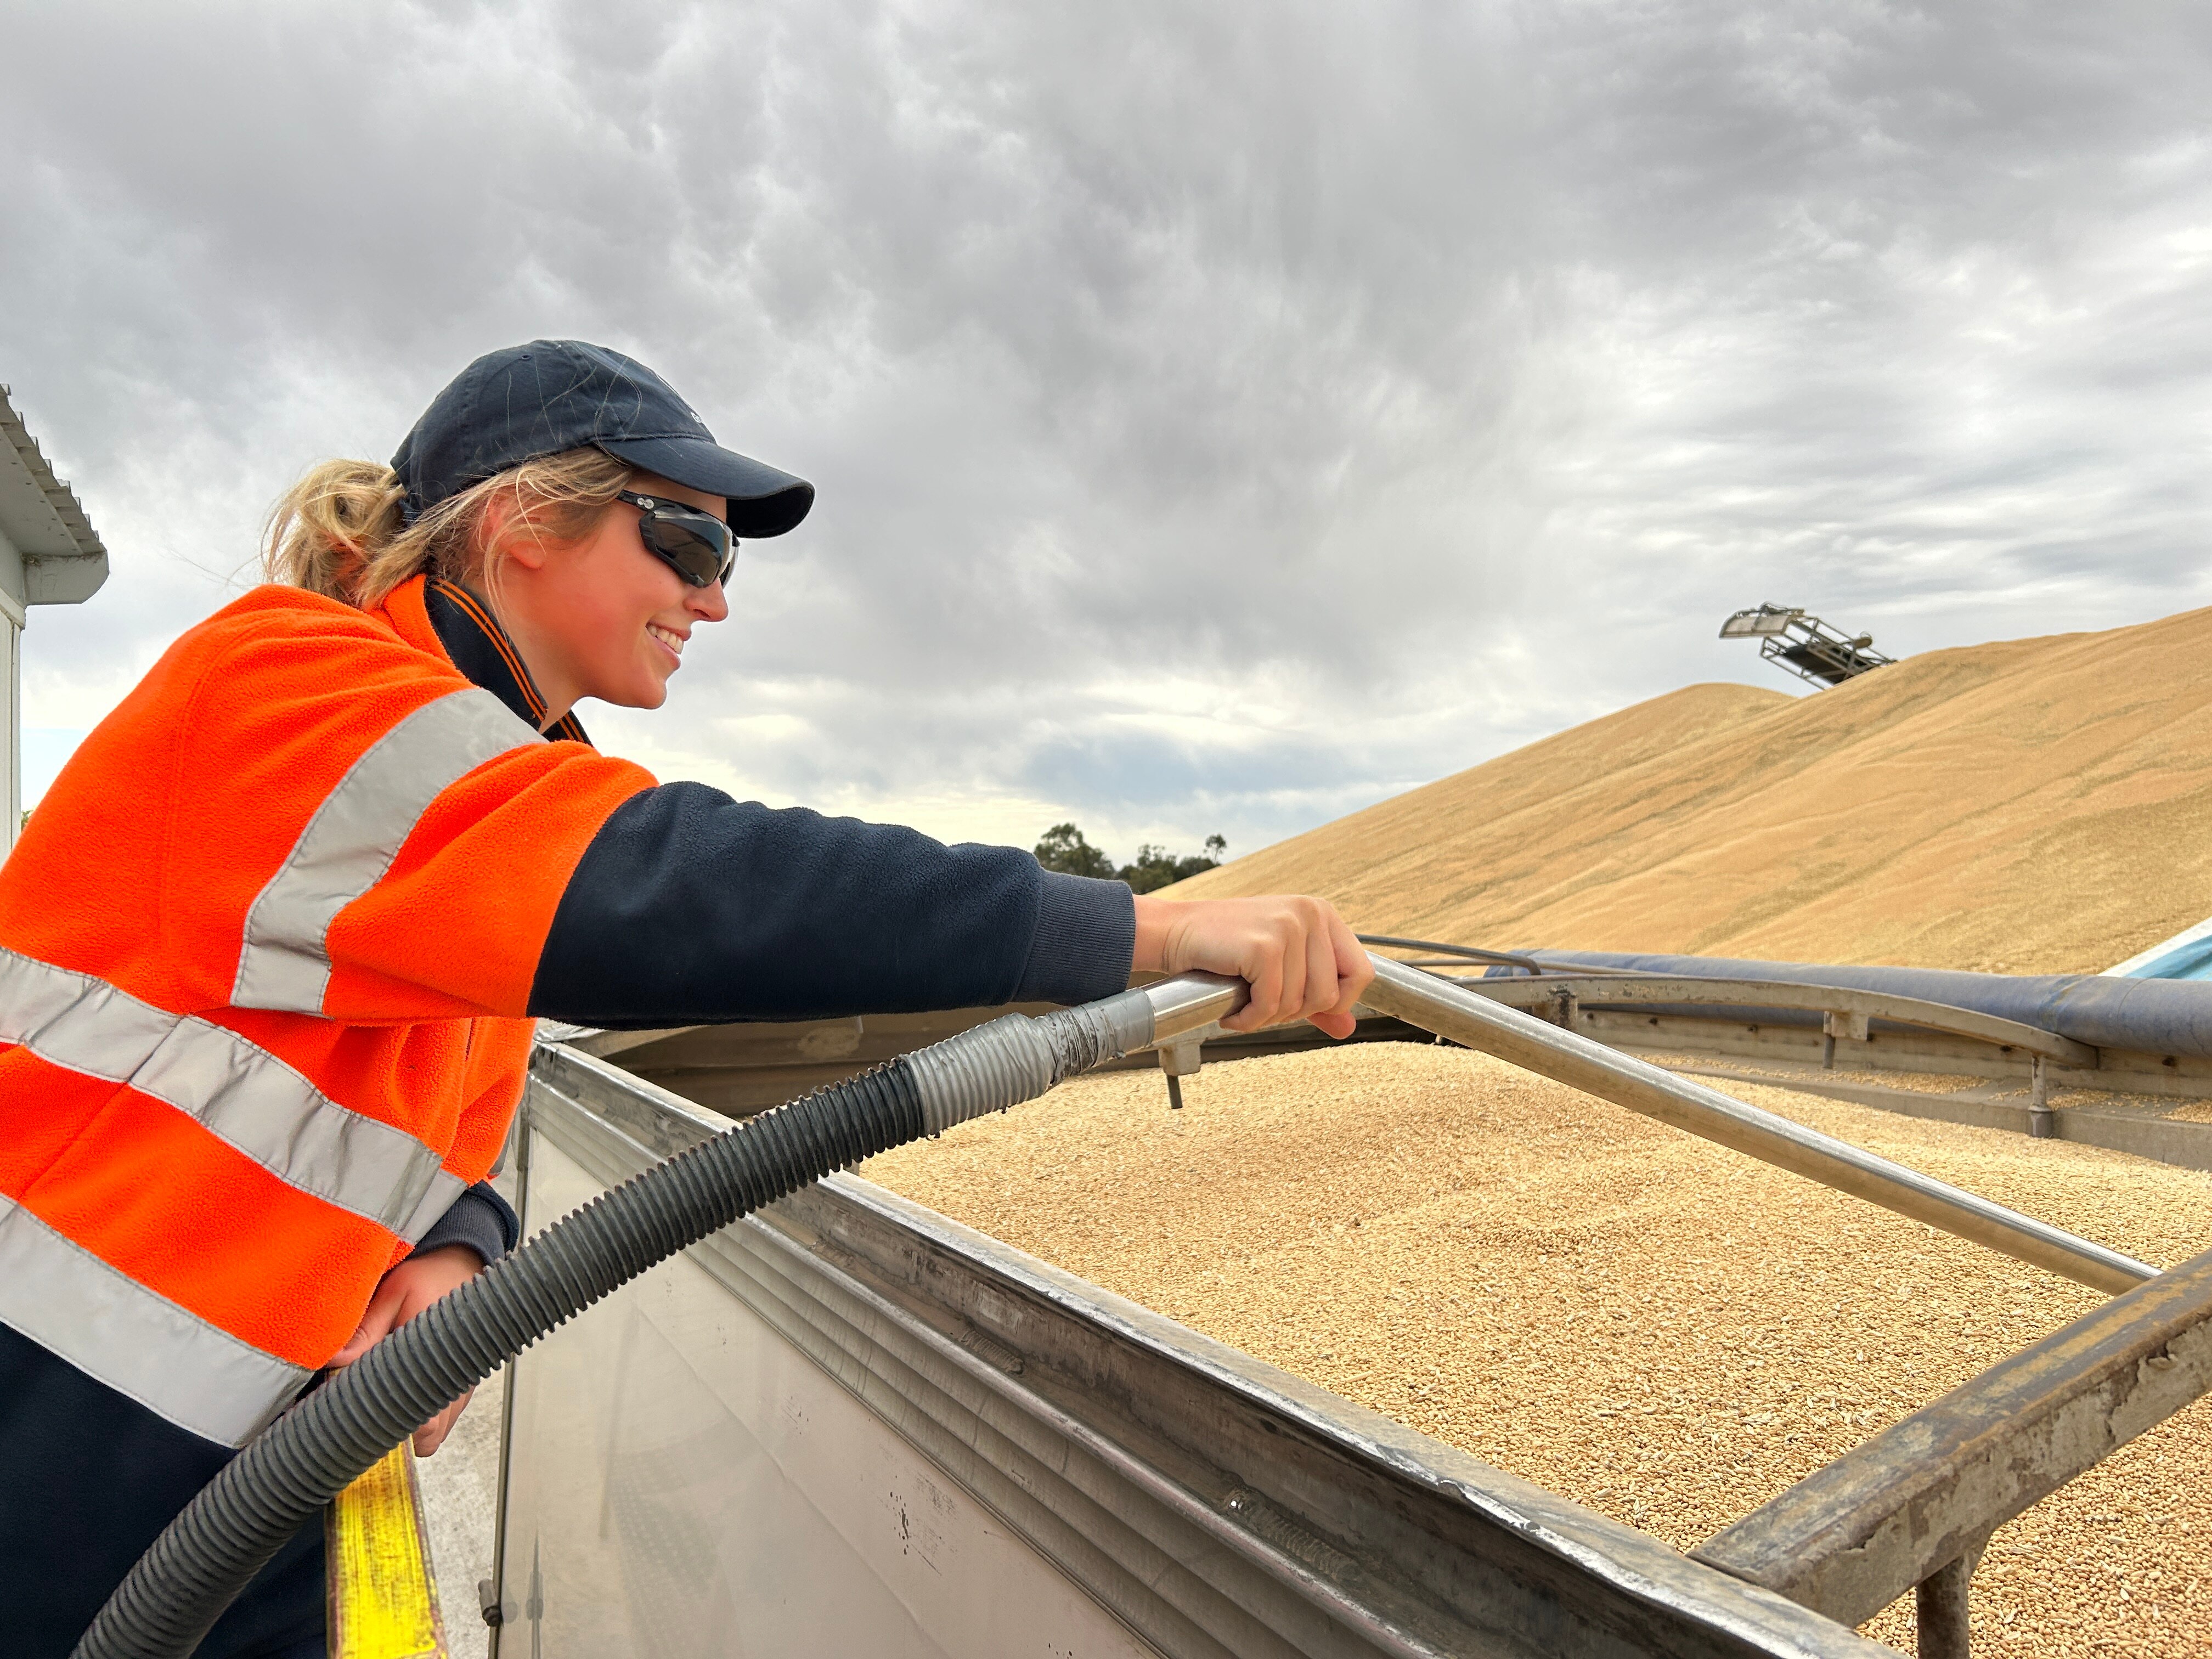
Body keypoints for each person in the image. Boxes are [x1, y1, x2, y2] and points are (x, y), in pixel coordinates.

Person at [0, 339, 1373, 1657]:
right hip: (47, 1451)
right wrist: (1152, 928)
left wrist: (458, 1248)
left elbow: (450, 1118)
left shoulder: (468, 816)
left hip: (236, 1483)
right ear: (531, 519)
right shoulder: (289, 688)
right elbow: (683, 888)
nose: (715, 599)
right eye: (693, 545)